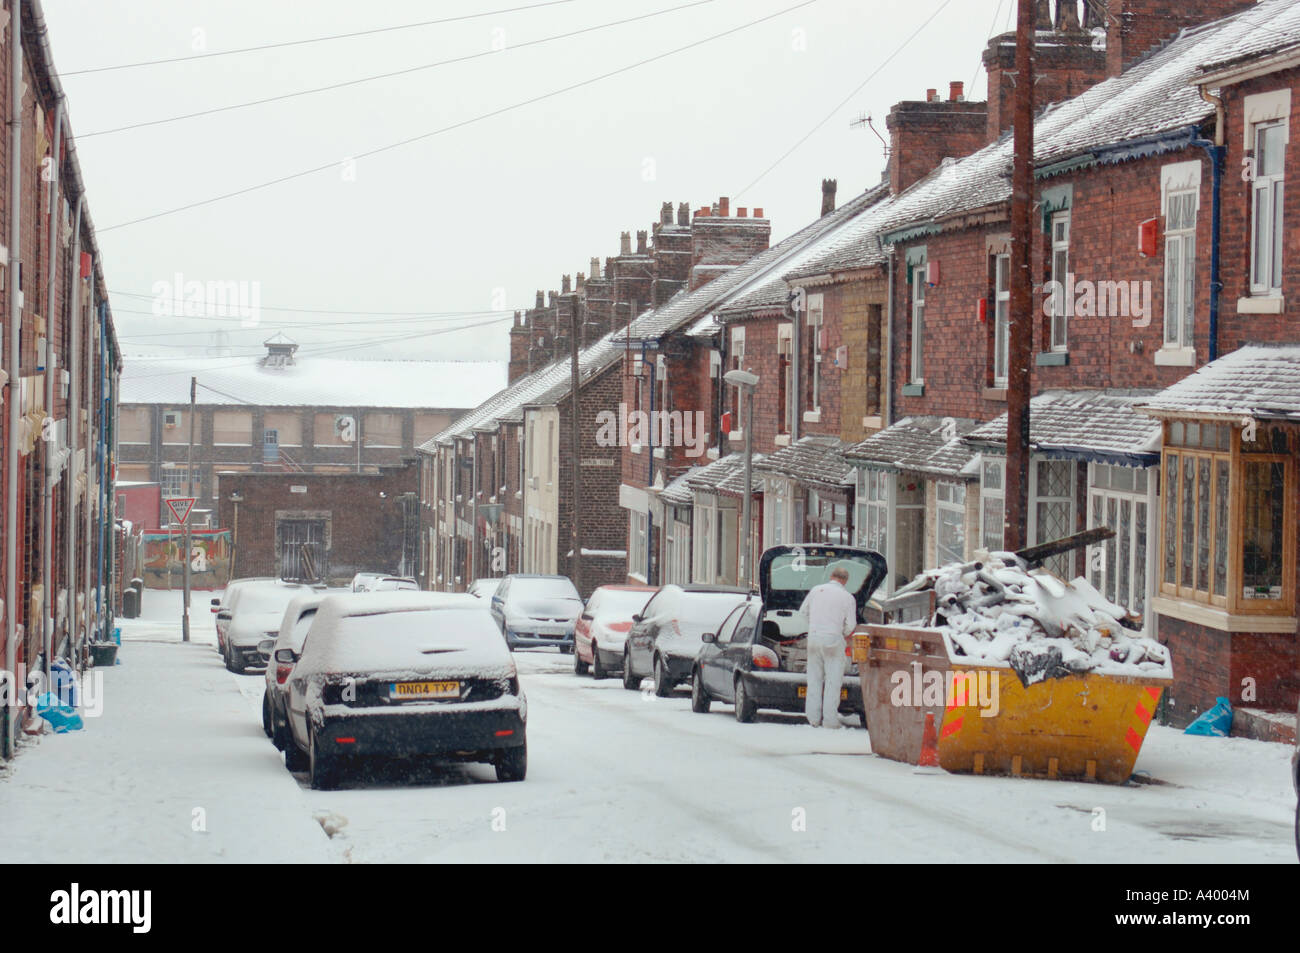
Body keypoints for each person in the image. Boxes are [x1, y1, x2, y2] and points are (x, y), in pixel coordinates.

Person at [798, 565, 857, 728]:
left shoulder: (816, 590)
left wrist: (814, 626)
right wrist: (841, 632)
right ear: (845, 581)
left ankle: (813, 718)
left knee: (814, 679)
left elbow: (803, 612)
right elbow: (851, 625)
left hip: (814, 638)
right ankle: (830, 720)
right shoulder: (847, 597)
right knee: (833, 681)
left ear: (831, 576)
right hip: (833, 640)